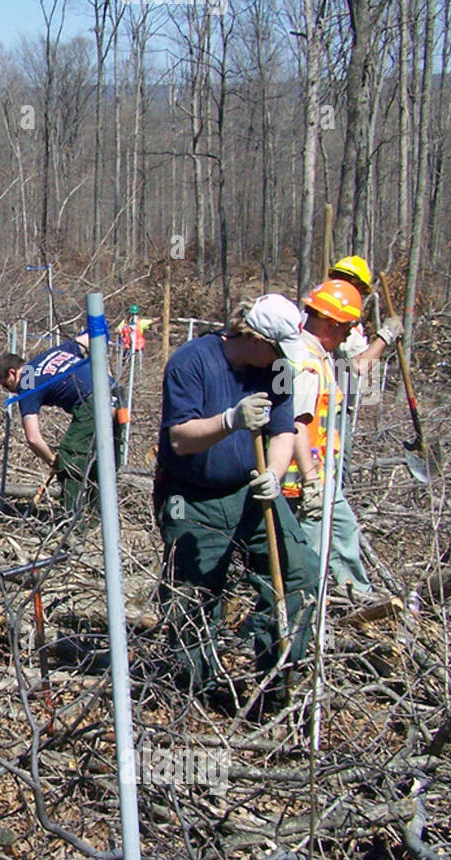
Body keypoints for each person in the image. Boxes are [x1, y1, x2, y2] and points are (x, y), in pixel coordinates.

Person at [154, 294, 319, 712]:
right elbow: (180, 438)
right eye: (277, 347)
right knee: (192, 596)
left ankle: (276, 681)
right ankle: (193, 698)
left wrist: (274, 476)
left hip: (251, 490)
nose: (283, 357)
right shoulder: (190, 362)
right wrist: (231, 420)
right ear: (254, 337)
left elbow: (284, 429)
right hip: (191, 497)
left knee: (298, 571)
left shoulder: (279, 367)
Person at [283, 279, 374, 598]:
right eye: (346, 329)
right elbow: (295, 423)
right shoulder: (305, 360)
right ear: (331, 324)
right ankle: (306, 602)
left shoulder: (313, 355)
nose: (348, 336)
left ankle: (354, 593)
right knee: (310, 548)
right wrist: (310, 480)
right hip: (303, 476)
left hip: (316, 472)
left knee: (342, 529)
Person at [0, 335, 128, 519]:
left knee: (70, 459)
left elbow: (33, 438)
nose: (7, 391)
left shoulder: (27, 382)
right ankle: (100, 522)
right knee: (104, 460)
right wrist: (107, 374)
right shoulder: (49, 356)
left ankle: (73, 526)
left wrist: (54, 461)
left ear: (13, 373)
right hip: (117, 395)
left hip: (93, 402)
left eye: (5, 384)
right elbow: (92, 338)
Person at [326, 255, 401, 471]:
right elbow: (359, 365)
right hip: (332, 412)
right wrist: (386, 336)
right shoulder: (336, 316)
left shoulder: (318, 310)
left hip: (325, 406)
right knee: (335, 478)